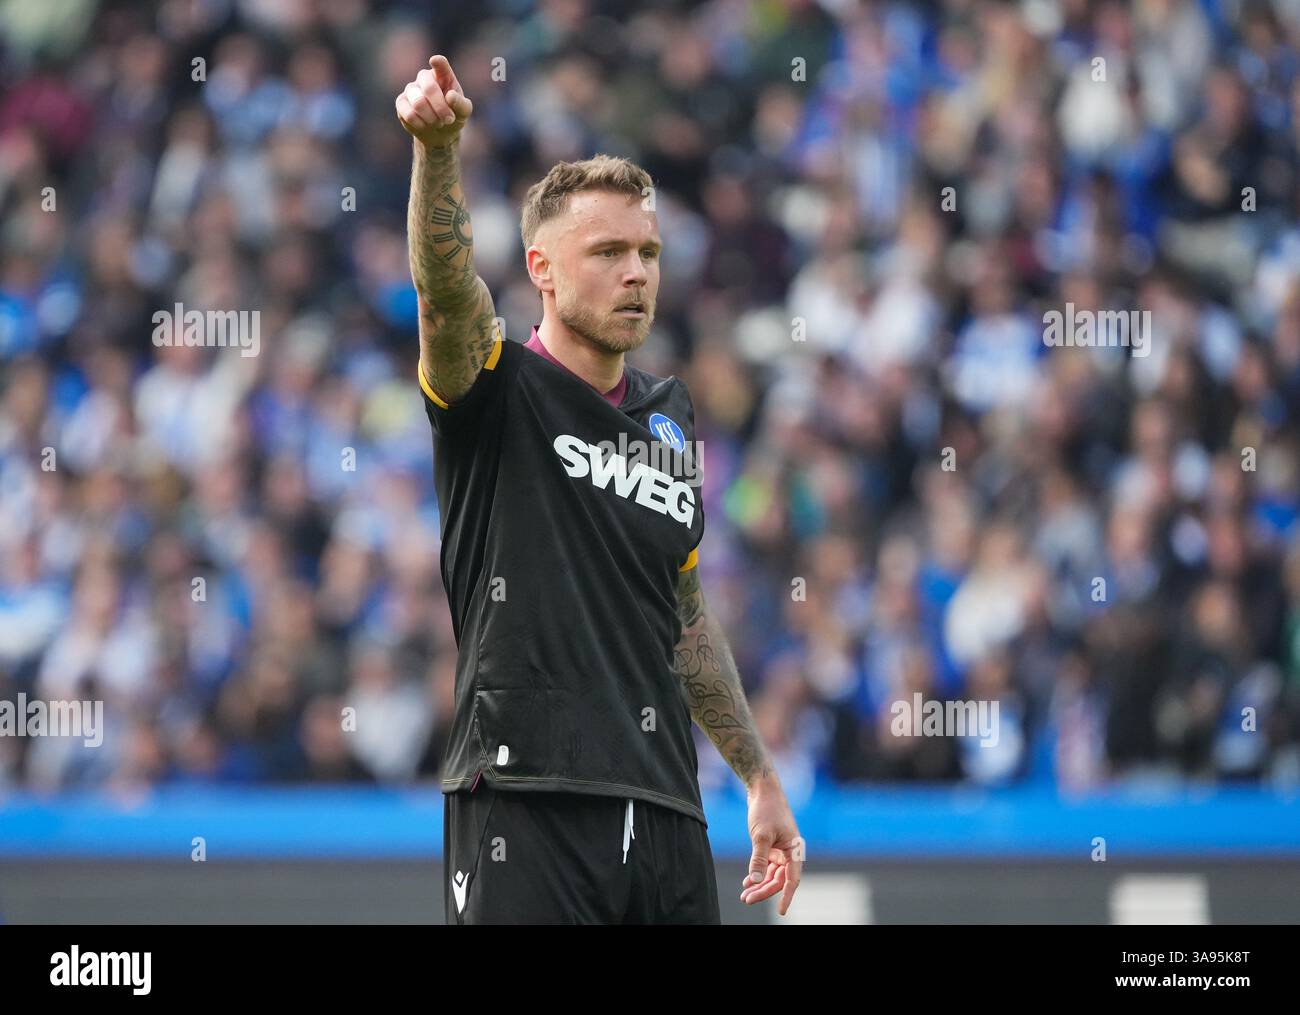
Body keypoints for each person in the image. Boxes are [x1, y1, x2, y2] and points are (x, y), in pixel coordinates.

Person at [396, 54, 802, 924]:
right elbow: (443, 293)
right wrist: (439, 149)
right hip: (525, 793)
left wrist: (758, 775)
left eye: (649, 252)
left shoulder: (670, 416)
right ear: (541, 267)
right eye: (609, 251)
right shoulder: (491, 388)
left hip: (665, 808)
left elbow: (683, 613)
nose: (638, 273)